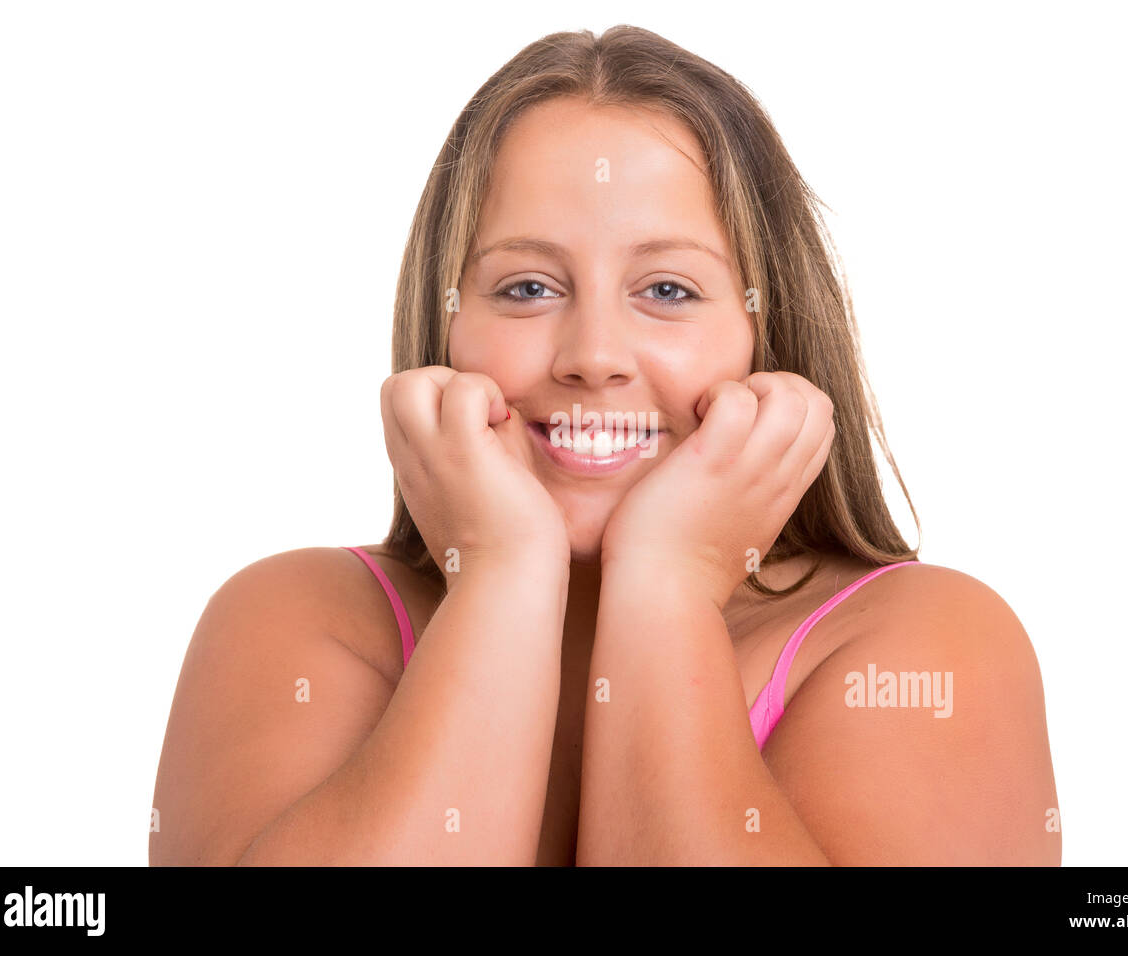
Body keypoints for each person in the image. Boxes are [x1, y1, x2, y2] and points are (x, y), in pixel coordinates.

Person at [150, 25, 1059, 866]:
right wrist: (503, 573)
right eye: (527, 288)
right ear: (446, 326)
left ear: (766, 333)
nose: (592, 357)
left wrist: (666, 585)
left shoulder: (926, 643)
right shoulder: (295, 618)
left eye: (667, 290)